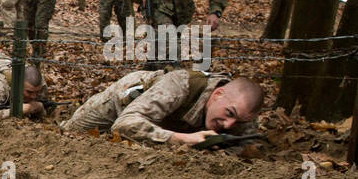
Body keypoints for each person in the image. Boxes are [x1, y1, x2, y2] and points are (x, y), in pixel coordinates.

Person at [61, 68, 263, 145]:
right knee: (69, 133)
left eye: (237, 120)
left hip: (162, 120)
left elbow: (244, 149)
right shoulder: (180, 85)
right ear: (218, 94)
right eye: (229, 114)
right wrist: (182, 138)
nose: (228, 125)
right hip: (121, 103)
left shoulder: (243, 113)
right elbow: (124, 124)